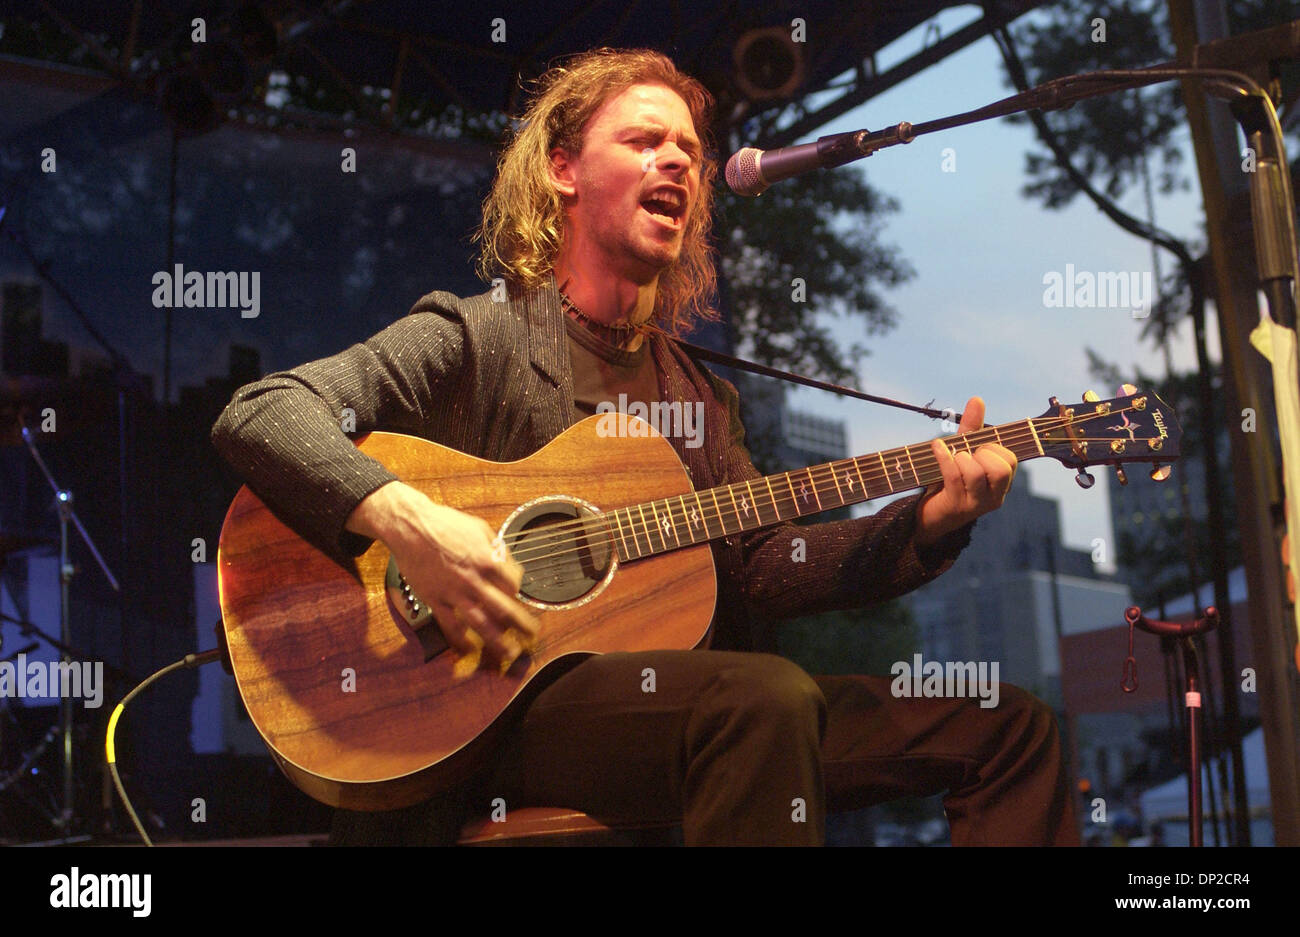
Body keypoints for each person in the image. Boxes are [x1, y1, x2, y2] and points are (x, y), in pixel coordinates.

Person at [211, 48, 1078, 846]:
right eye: (644, 140)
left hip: (690, 710)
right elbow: (263, 412)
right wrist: (413, 526)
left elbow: (760, 567)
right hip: (495, 708)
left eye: (690, 151)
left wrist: (928, 520)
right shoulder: (477, 338)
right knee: (761, 697)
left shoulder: (697, 393)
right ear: (563, 170)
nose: (678, 161)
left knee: (1008, 724)